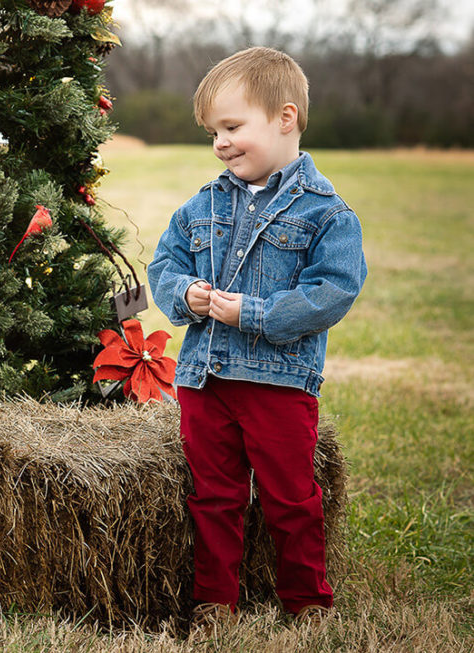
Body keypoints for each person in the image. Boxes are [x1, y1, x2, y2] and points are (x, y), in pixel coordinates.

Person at [147, 46, 367, 632]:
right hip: (206, 379)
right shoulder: (203, 203)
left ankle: (306, 603)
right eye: (214, 132)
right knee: (213, 497)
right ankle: (214, 602)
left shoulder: (326, 213)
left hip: (277, 384)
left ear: (285, 118)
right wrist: (185, 293)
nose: (220, 143)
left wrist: (256, 314)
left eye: (232, 127)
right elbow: (164, 265)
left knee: (290, 500)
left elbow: (333, 291)